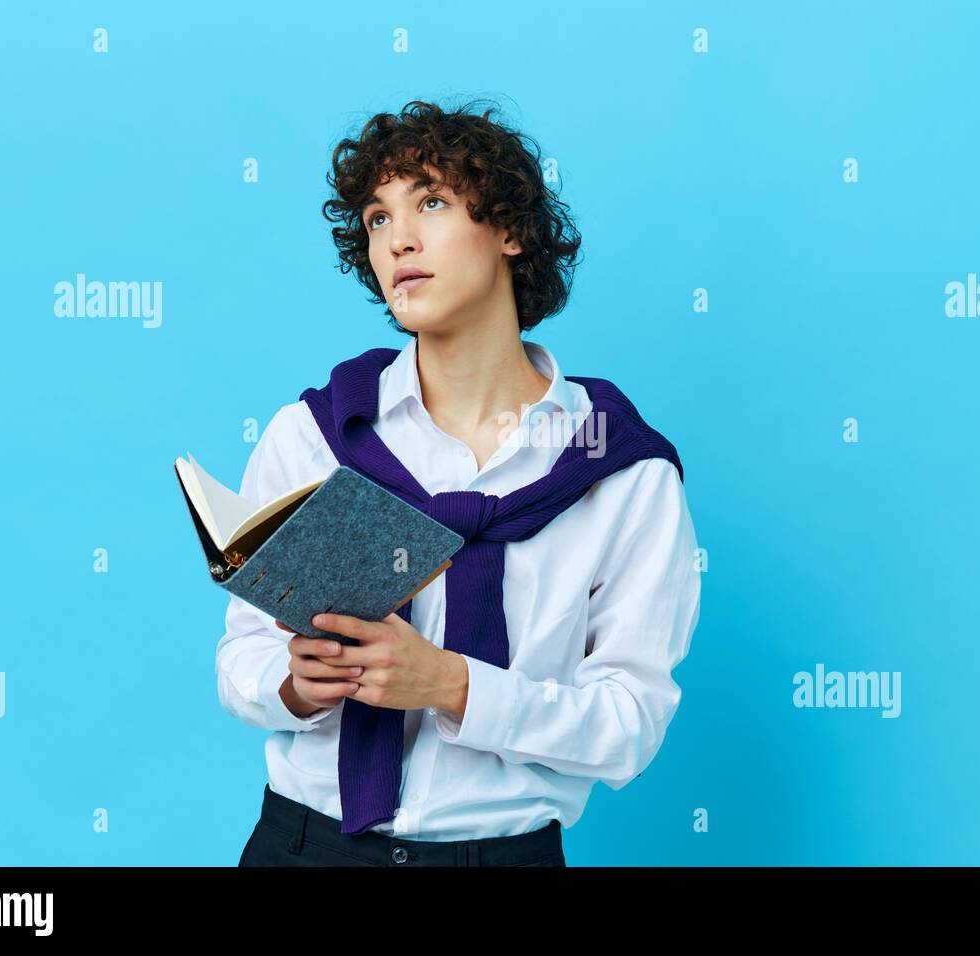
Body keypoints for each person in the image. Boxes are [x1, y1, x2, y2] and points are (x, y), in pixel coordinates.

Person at [220, 98, 700, 867]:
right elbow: (243, 659)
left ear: (510, 231)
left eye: (432, 202)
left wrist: (452, 685)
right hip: (303, 848)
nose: (398, 240)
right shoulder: (315, 436)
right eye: (377, 219)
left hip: (500, 855)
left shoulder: (621, 471)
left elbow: (628, 725)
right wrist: (297, 686)